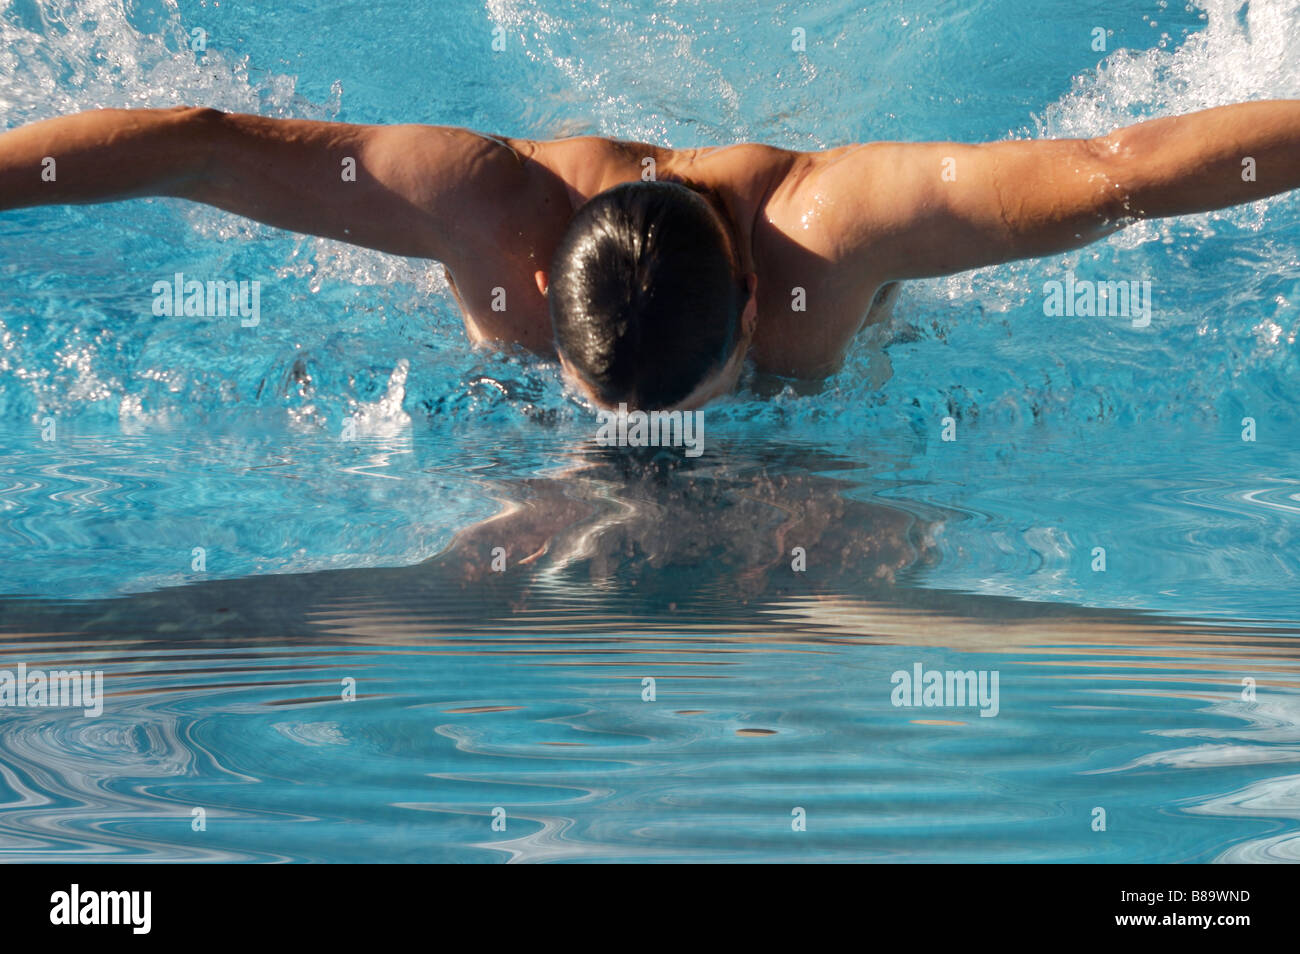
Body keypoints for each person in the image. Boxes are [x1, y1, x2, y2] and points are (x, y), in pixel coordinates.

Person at [2, 101, 1298, 409]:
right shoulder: (481, 210)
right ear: (537, 286)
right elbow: (203, 146)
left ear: (749, 297)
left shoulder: (837, 231)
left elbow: (1125, 175)